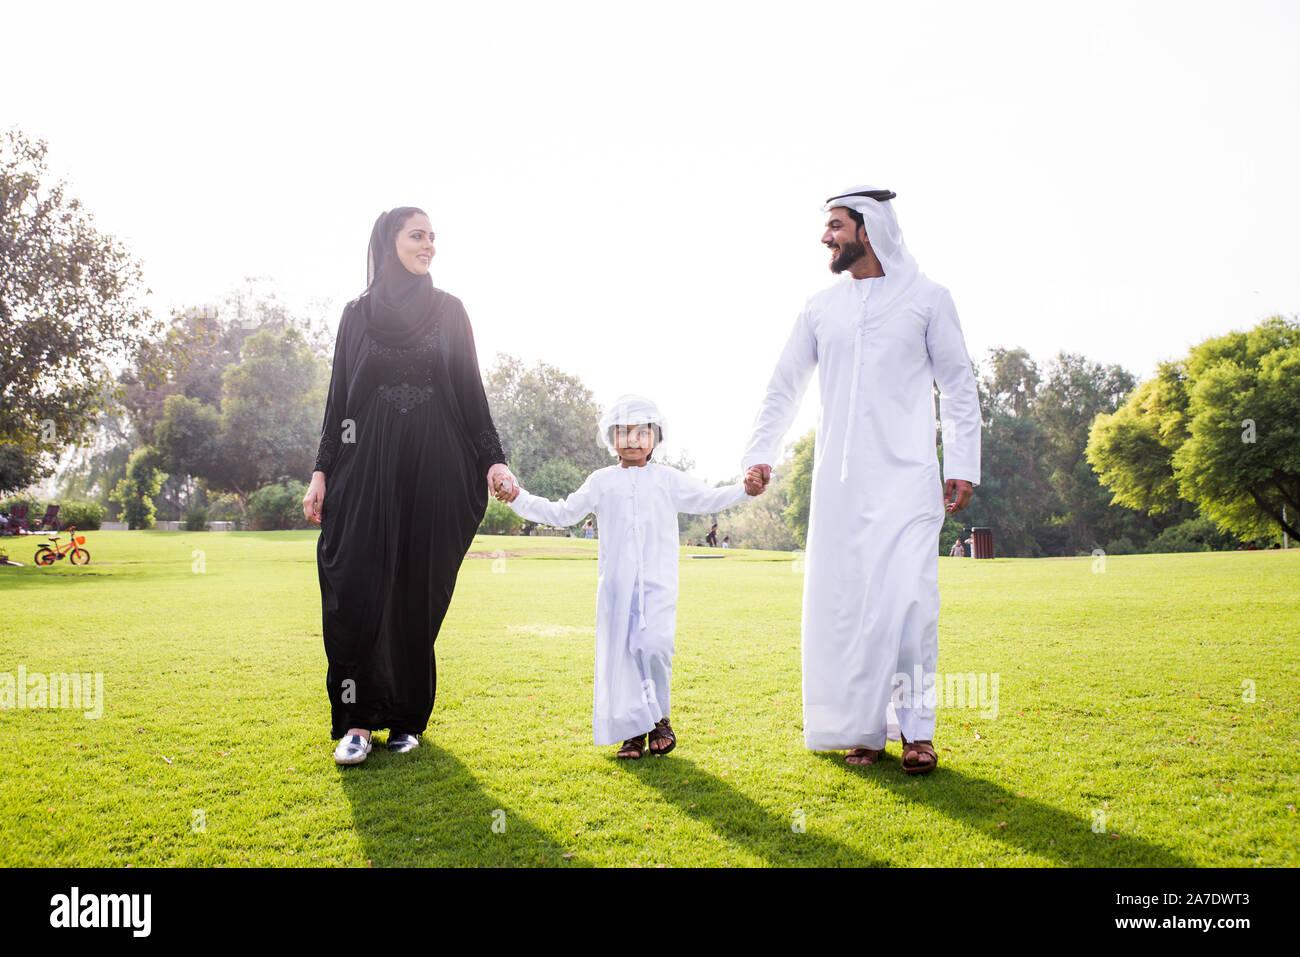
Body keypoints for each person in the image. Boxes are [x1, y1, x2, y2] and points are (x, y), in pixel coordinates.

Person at [743, 186, 981, 773]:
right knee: (848, 605)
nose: (826, 237)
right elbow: (784, 385)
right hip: (840, 489)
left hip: (910, 482)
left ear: (869, 229)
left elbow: (956, 384)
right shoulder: (821, 307)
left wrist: (963, 465)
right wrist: (760, 453)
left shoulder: (928, 299)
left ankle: (917, 732)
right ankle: (862, 729)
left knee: (910, 604)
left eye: (836, 226)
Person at [303, 207, 516, 766]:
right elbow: (338, 400)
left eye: (432, 237)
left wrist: (495, 461)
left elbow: (472, 393)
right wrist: (321, 470)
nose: (428, 246)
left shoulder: (450, 312)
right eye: (417, 236)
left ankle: (404, 719)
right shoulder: (356, 315)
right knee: (356, 585)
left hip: (435, 468)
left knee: (416, 593)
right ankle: (354, 722)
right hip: (364, 467)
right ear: (388, 242)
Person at [500, 394, 755, 759]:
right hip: (617, 587)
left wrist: (743, 490)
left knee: (654, 648)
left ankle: (659, 718)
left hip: (659, 584)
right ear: (611, 438)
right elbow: (562, 513)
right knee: (621, 656)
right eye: (623, 432)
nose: (632, 441)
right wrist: (517, 498)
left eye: (641, 432)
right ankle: (634, 733)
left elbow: (707, 499)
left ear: (656, 437)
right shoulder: (601, 481)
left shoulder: (667, 479)